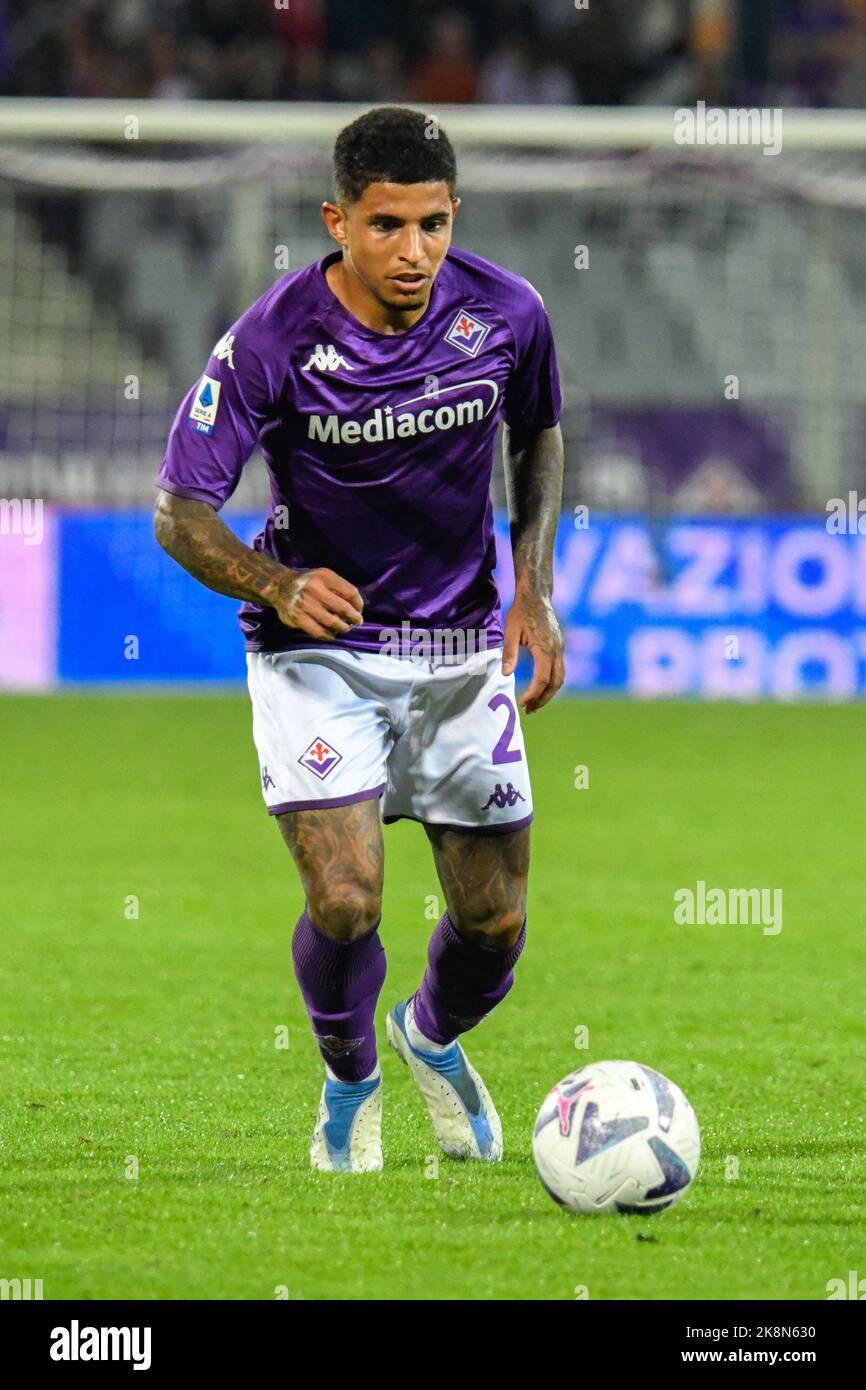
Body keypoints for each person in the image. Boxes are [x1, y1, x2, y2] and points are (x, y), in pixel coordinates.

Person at [154, 106, 564, 1172]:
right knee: (344, 900)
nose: (413, 251)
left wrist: (533, 589)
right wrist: (277, 583)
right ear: (337, 219)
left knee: (495, 926)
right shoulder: (272, 339)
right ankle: (348, 1083)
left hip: (459, 650)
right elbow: (180, 511)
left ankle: (426, 1037)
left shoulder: (506, 313)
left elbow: (538, 432)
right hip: (319, 654)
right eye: (386, 226)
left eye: (432, 224)